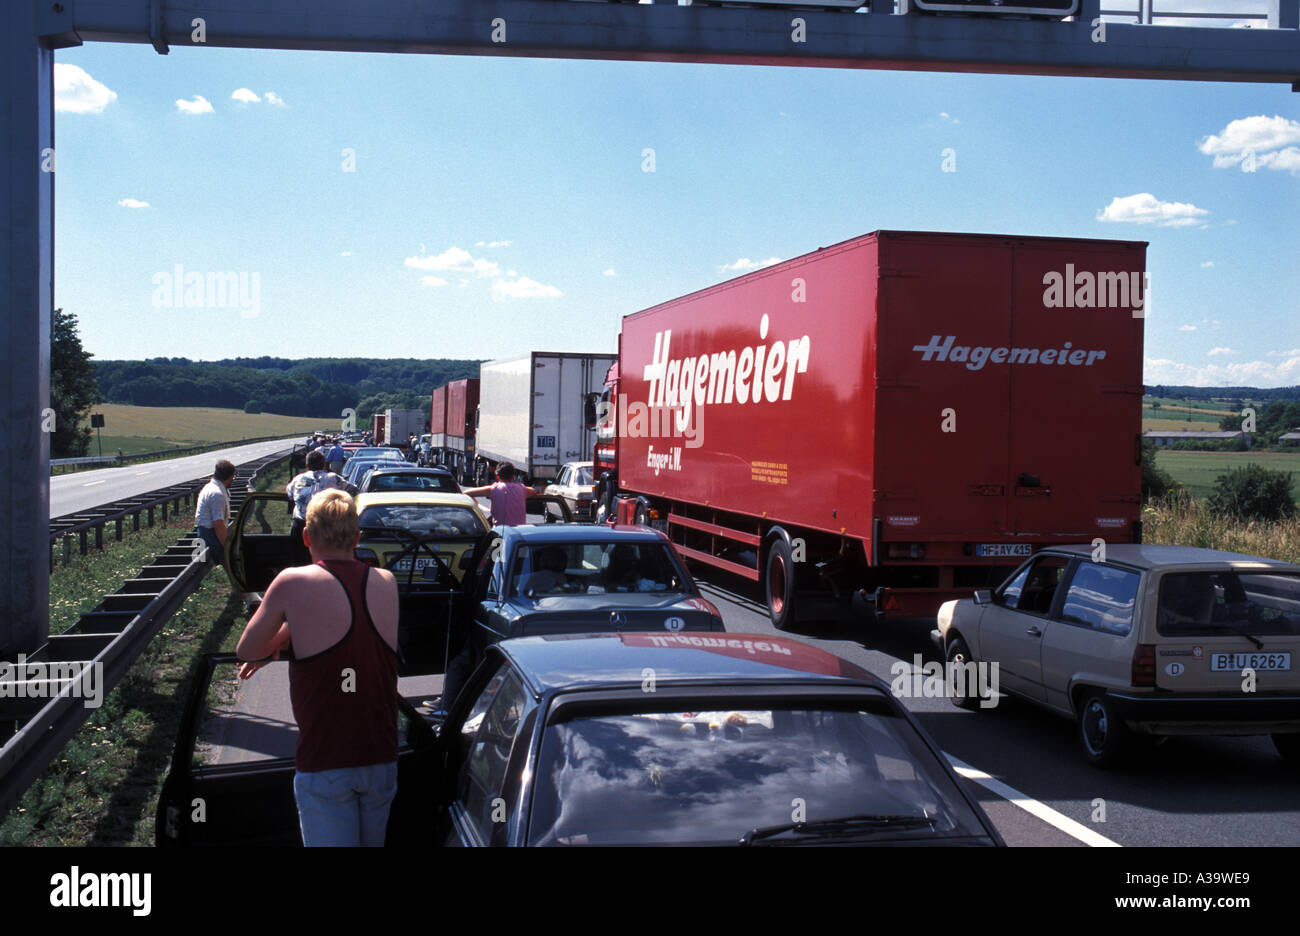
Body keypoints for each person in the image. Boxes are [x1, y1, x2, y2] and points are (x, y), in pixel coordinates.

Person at [235, 489, 400, 847]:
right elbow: (348, 626)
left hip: (326, 759)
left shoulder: (292, 582)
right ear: (357, 538)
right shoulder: (386, 583)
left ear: (306, 536)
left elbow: (246, 648)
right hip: (381, 756)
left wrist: (276, 643)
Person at [286, 450, 350, 565]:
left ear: (306, 466)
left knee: (299, 564)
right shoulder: (334, 478)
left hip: (300, 525)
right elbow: (354, 491)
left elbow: (290, 495)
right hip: (326, 527)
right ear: (324, 465)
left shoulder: (297, 479)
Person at [462, 464, 538, 527]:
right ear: (513, 476)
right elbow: (533, 491)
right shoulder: (522, 488)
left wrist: (476, 505)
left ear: (497, 476)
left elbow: (466, 493)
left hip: (499, 531)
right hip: (518, 531)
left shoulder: (494, 488)